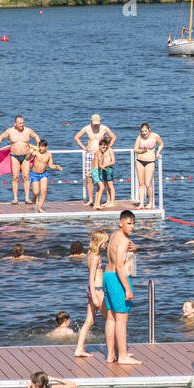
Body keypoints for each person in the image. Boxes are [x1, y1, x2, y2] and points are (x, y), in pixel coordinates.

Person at [102, 211, 141, 364]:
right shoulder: (124, 240)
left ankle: (111, 355)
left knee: (111, 318)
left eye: (133, 223)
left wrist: (134, 250)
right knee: (122, 319)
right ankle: (123, 355)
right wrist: (128, 289)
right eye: (129, 223)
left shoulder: (113, 236)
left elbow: (116, 257)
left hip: (107, 276)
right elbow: (120, 266)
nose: (132, 227)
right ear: (121, 223)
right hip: (117, 279)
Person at [74, 231, 108, 357]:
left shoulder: (92, 255)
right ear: (100, 242)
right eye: (105, 241)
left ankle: (79, 348)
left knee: (89, 321)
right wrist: (94, 296)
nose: (106, 244)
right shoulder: (95, 257)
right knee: (110, 319)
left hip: (94, 290)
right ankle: (113, 348)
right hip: (97, 290)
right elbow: (91, 277)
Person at [0, 115, 41, 205]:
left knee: (26, 177)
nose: (22, 125)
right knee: (15, 177)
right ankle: (15, 199)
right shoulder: (10, 131)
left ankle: (27, 198)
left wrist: (38, 148)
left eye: (23, 123)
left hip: (26, 156)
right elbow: (0, 138)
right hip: (14, 156)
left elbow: (36, 137)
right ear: (15, 123)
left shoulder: (28, 131)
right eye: (20, 123)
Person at [73, 114, 116, 206]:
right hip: (90, 154)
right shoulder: (87, 128)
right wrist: (84, 147)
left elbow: (114, 137)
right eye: (94, 123)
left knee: (103, 177)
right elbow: (76, 137)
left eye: (97, 123)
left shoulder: (104, 128)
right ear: (91, 121)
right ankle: (91, 200)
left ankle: (106, 200)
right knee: (89, 178)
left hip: (101, 154)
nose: (96, 125)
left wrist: (108, 147)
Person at [133, 122, 163, 209]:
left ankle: (150, 202)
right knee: (140, 183)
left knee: (148, 183)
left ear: (149, 130)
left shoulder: (155, 136)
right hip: (140, 160)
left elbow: (161, 144)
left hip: (150, 161)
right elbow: (135, 149)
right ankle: (141, 203)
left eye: (145, 131)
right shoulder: (139, 137)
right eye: (142, 131)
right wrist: (141, 151)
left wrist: (158, 152)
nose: (144, 133)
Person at [26, 140, 61, 212]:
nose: (41, 149)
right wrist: (30, 153)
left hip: (43, 174)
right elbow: (27, 159)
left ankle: (40, 207)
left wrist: (56, 166)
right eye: (40, 147)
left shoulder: (49, 154)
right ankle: (34, 198)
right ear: (38, 146)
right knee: (36, 192)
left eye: (43, 147)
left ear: (46, 147)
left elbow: (50, 165)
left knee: (44, 191)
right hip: (34, 174)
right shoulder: (35, 153)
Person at [90, 139, 116, 209]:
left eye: (106, 147)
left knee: (102, 187)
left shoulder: (104, 151)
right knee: (102, 187)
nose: (105, 149)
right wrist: (102, 167)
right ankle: (97, 204)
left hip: (101, 170)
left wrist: (92, 170)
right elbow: (97, 163)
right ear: (99, 146)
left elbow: (113, 161)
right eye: (104, 147)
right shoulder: (99, 153)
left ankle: (98, 204)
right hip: (98, 170)